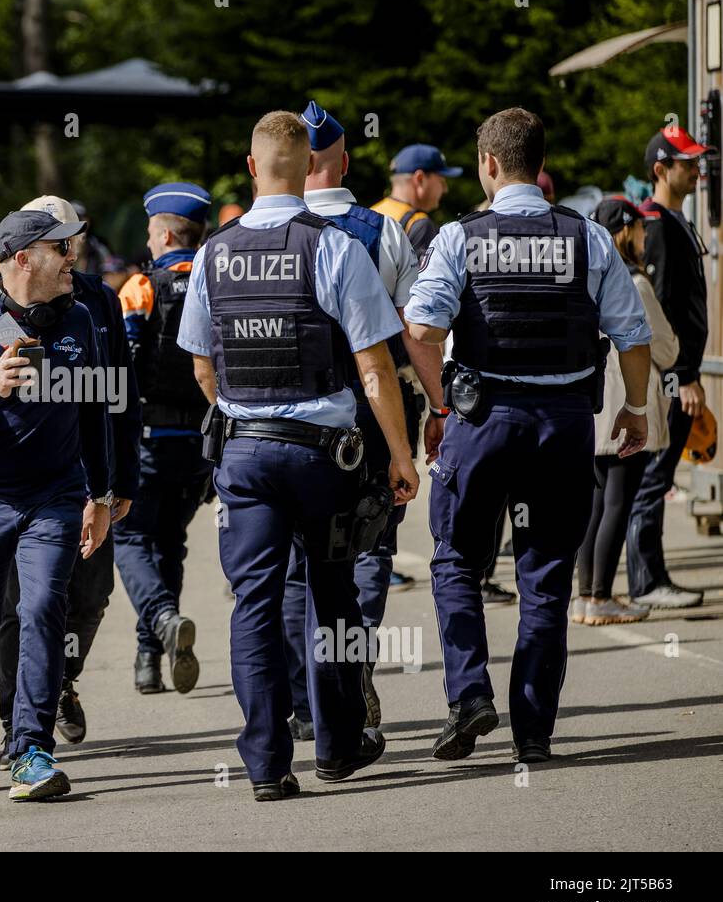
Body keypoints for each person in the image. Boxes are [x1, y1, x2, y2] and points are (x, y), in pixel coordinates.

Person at [180, 110, 419, 800]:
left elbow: (202, 366)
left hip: (246, 456)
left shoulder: (215, 252)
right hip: (325, 456)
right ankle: (339, 747)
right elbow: (374, 368)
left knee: (253, 603)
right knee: (333, 596)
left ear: (252, 168)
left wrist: (239, 411)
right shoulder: (334, 245)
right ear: (309, 164)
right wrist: (399, 456)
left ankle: (265, 765)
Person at [405, 108, 651, 765]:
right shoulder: (588, 237)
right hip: (564, 423)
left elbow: (421, 329)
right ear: (538, 166)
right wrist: (634, 410)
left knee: (457, 558)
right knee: (545, 576)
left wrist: (441, 401)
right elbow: (633, 335)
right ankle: (534, 732)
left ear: (488, 164)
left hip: (483, 419)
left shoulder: (461, 236)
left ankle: (469, 695)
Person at [0, 208, 111, 801]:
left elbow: (94, 412)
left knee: (42, 612)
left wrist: (101, 495)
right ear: (23, 257)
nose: (73, 258)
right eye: (63, 248)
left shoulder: (78, 319)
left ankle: (30, 749)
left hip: (55, 497)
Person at [281, 101, 448, 738]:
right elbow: (415, 335)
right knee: (370, 551)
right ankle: (352, 671)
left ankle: (305, 699)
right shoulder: (384, 231)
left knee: (300, 561)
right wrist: (438, 409)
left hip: (290, 422)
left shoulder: (262, 235)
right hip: (375, 422)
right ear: (345, 162)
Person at [0, 195, 141, 763]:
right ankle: (15, 722)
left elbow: (119, 395)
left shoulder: (99, 299)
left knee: (92, 594)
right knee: (21, 605)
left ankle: (60, 679)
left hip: (89, 471)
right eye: (57, 242)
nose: (69, 252)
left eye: (71, 241)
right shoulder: (0, 304)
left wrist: (122, 477)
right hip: (25, 483)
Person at [115, 181, 214, 695]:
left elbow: (124, 369)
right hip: (200, 443)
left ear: (166, 232)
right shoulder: (219, 279)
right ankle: (148, 660)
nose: (150, 244)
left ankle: (158, 619)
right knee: (170, 543)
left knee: (130, 537)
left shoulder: (141, 286)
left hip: (148, 438)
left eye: (153, 235)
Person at [576, 196, 680, 625]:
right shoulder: (634, 283)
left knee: (597, 504)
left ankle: (585, 596)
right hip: (628, 408)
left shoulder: (586, 279)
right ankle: (602, 596)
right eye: (639, 229)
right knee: (619, 502)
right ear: (625, 231)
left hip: (596, 407)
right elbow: (666, 348)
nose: (644, 237)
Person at [626, 125, 712, 609]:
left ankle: (651, 577)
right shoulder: (656, 225)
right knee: (653, 479)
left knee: (656, 479)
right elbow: (659, 315)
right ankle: (645, 581)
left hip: (681, 374)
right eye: (686, 163)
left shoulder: (676, 220)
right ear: (661, 169)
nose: (696, 170)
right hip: (672, 379)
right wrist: (684, 377)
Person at [372, 143, 461, 258]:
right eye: (441, 181)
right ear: (420, 179)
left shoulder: (368, 213)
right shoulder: (419, 225)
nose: (445, 189)